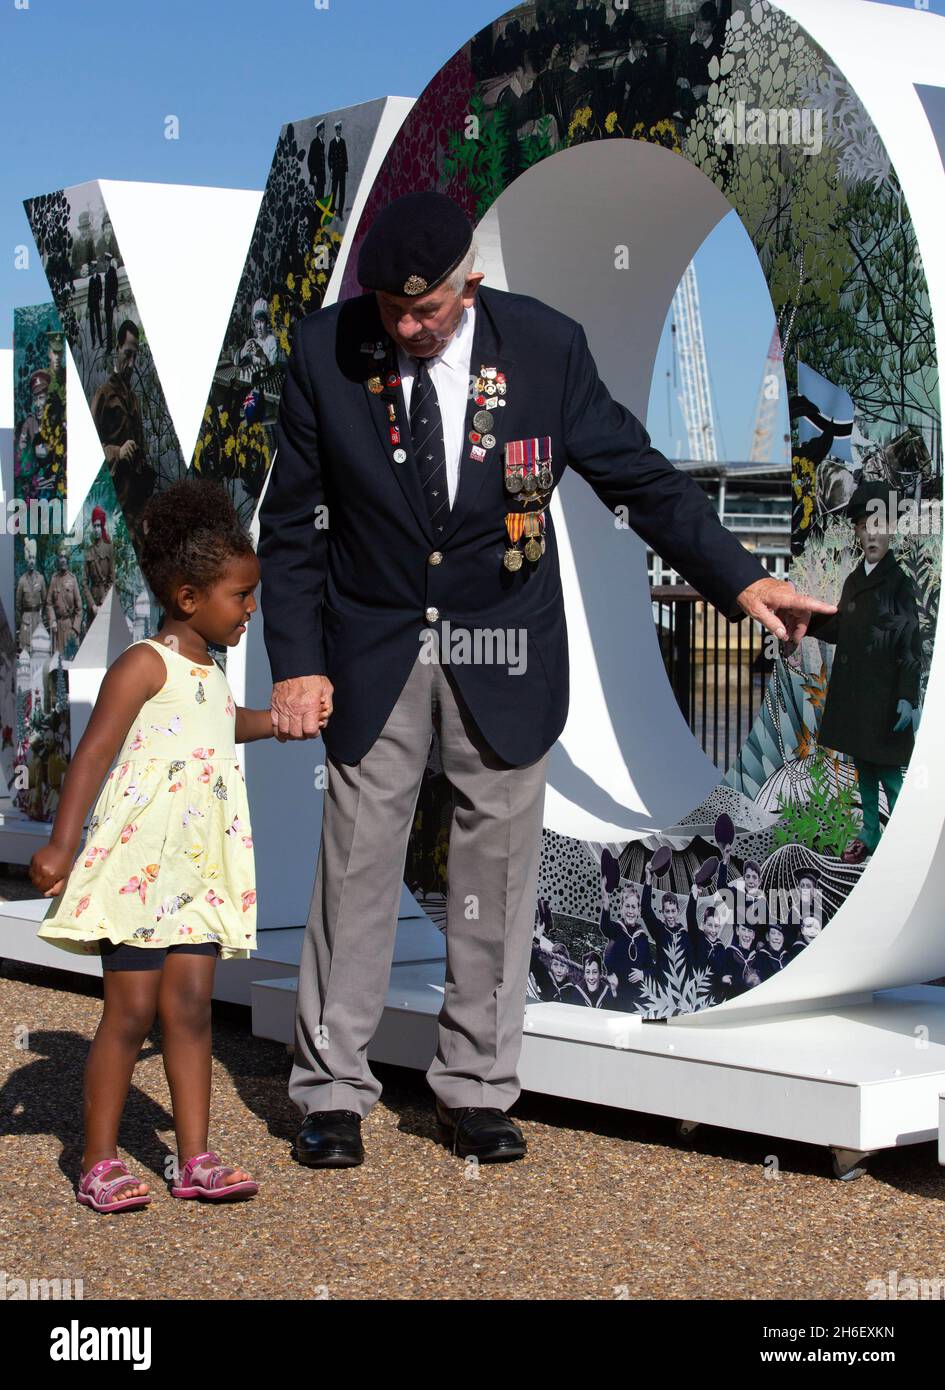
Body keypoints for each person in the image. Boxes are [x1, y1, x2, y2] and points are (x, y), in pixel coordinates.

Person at [256, 190, 832, 1168]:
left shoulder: (546, 347)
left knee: (498, 876)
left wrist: (741, 576)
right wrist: (300, 663)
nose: (405, 327)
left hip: (505, 643)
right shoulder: (324, 352)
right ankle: (331, 1092)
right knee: (356, 867)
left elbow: (637, 478)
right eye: (391, 311)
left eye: (425, 310)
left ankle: (475, 1089)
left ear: (467, 282)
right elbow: (292, 527)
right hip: (374, 640)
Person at [29, 478, 275, 1212]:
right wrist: (61, 845)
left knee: (192, 1008)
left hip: (198, 870)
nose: (250, 608)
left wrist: (284, 722)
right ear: (189, 597)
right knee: (130, 1013)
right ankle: (98, 1159)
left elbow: (220, 726)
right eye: (241, 595)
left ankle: (193, 1155)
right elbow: (93, 754)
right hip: (140, 870)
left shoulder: (208, 673)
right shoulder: (144, 664)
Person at [802, 481, 922, 865]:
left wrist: (907, 696)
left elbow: (911, 645)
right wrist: (809, 621)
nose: (872, 534)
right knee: (865, 769)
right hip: (857, 696)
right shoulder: (855, 579)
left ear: (890, 530)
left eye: (879, 525)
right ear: (856, 532)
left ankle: (906, 840)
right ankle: (870, 831)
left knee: (889, 772)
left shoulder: (899, 583)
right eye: (864, 526)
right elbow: (843, 628)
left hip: (884, 697)